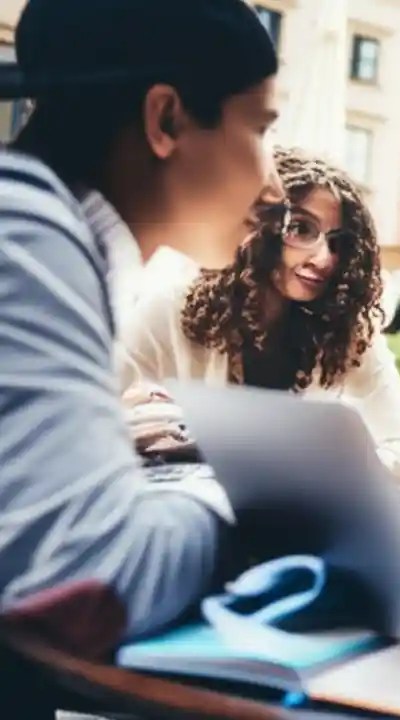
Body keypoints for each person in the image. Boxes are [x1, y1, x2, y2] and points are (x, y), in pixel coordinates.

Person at [0, 0, 281, 658]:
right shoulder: (27, 236)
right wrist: (265, 509)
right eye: (261, 128)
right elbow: (89, 584)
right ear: (167, 120)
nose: (272, 183)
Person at [119, 147, 400, 493]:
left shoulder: (348, 331)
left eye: (338, 243)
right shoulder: (168, 310)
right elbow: (76, 424)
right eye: (301, 228)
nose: (324, 259)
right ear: (257, 226)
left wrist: (306, 466)